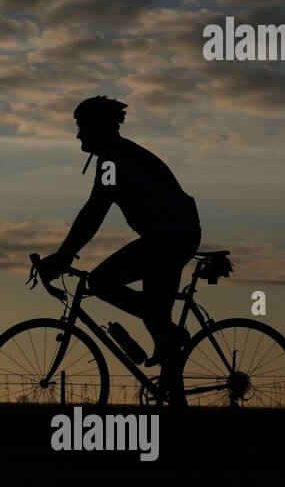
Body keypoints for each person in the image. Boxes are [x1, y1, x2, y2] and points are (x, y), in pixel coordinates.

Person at [36, 96, 201, 395]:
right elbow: (95, 210)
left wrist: (63, 256)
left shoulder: (115, 160)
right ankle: (174, 397)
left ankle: (166, 330)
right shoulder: (116, 156)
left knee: (100, 282)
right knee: (161, 330)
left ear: (98, 128)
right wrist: (64, 253)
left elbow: (95, 210)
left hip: (168, 238)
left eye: (82, 128)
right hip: (172, 236)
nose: (78, 135)